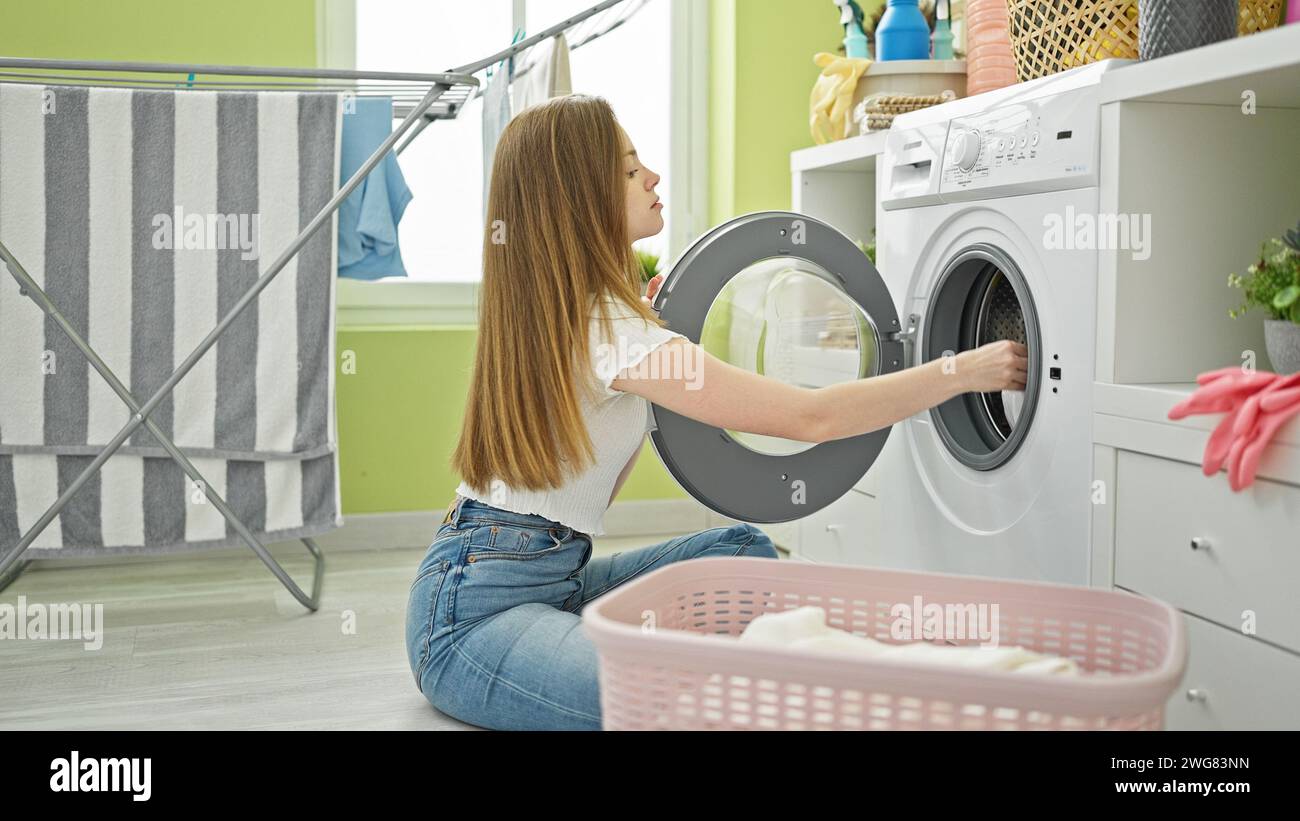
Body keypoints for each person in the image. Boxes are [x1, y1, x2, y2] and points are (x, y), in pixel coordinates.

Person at [405, 94, 1027, 730]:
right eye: (627, 170)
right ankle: (874, 691)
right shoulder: (612, 331)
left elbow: (604, 481)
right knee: (685, 697)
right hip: (472, 621)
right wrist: (961, 371)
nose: (651, 177)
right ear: (580, 201)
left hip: (555, 577)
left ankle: (835, 668)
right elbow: (809, 418)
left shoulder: (596, 318)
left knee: (740, 550)